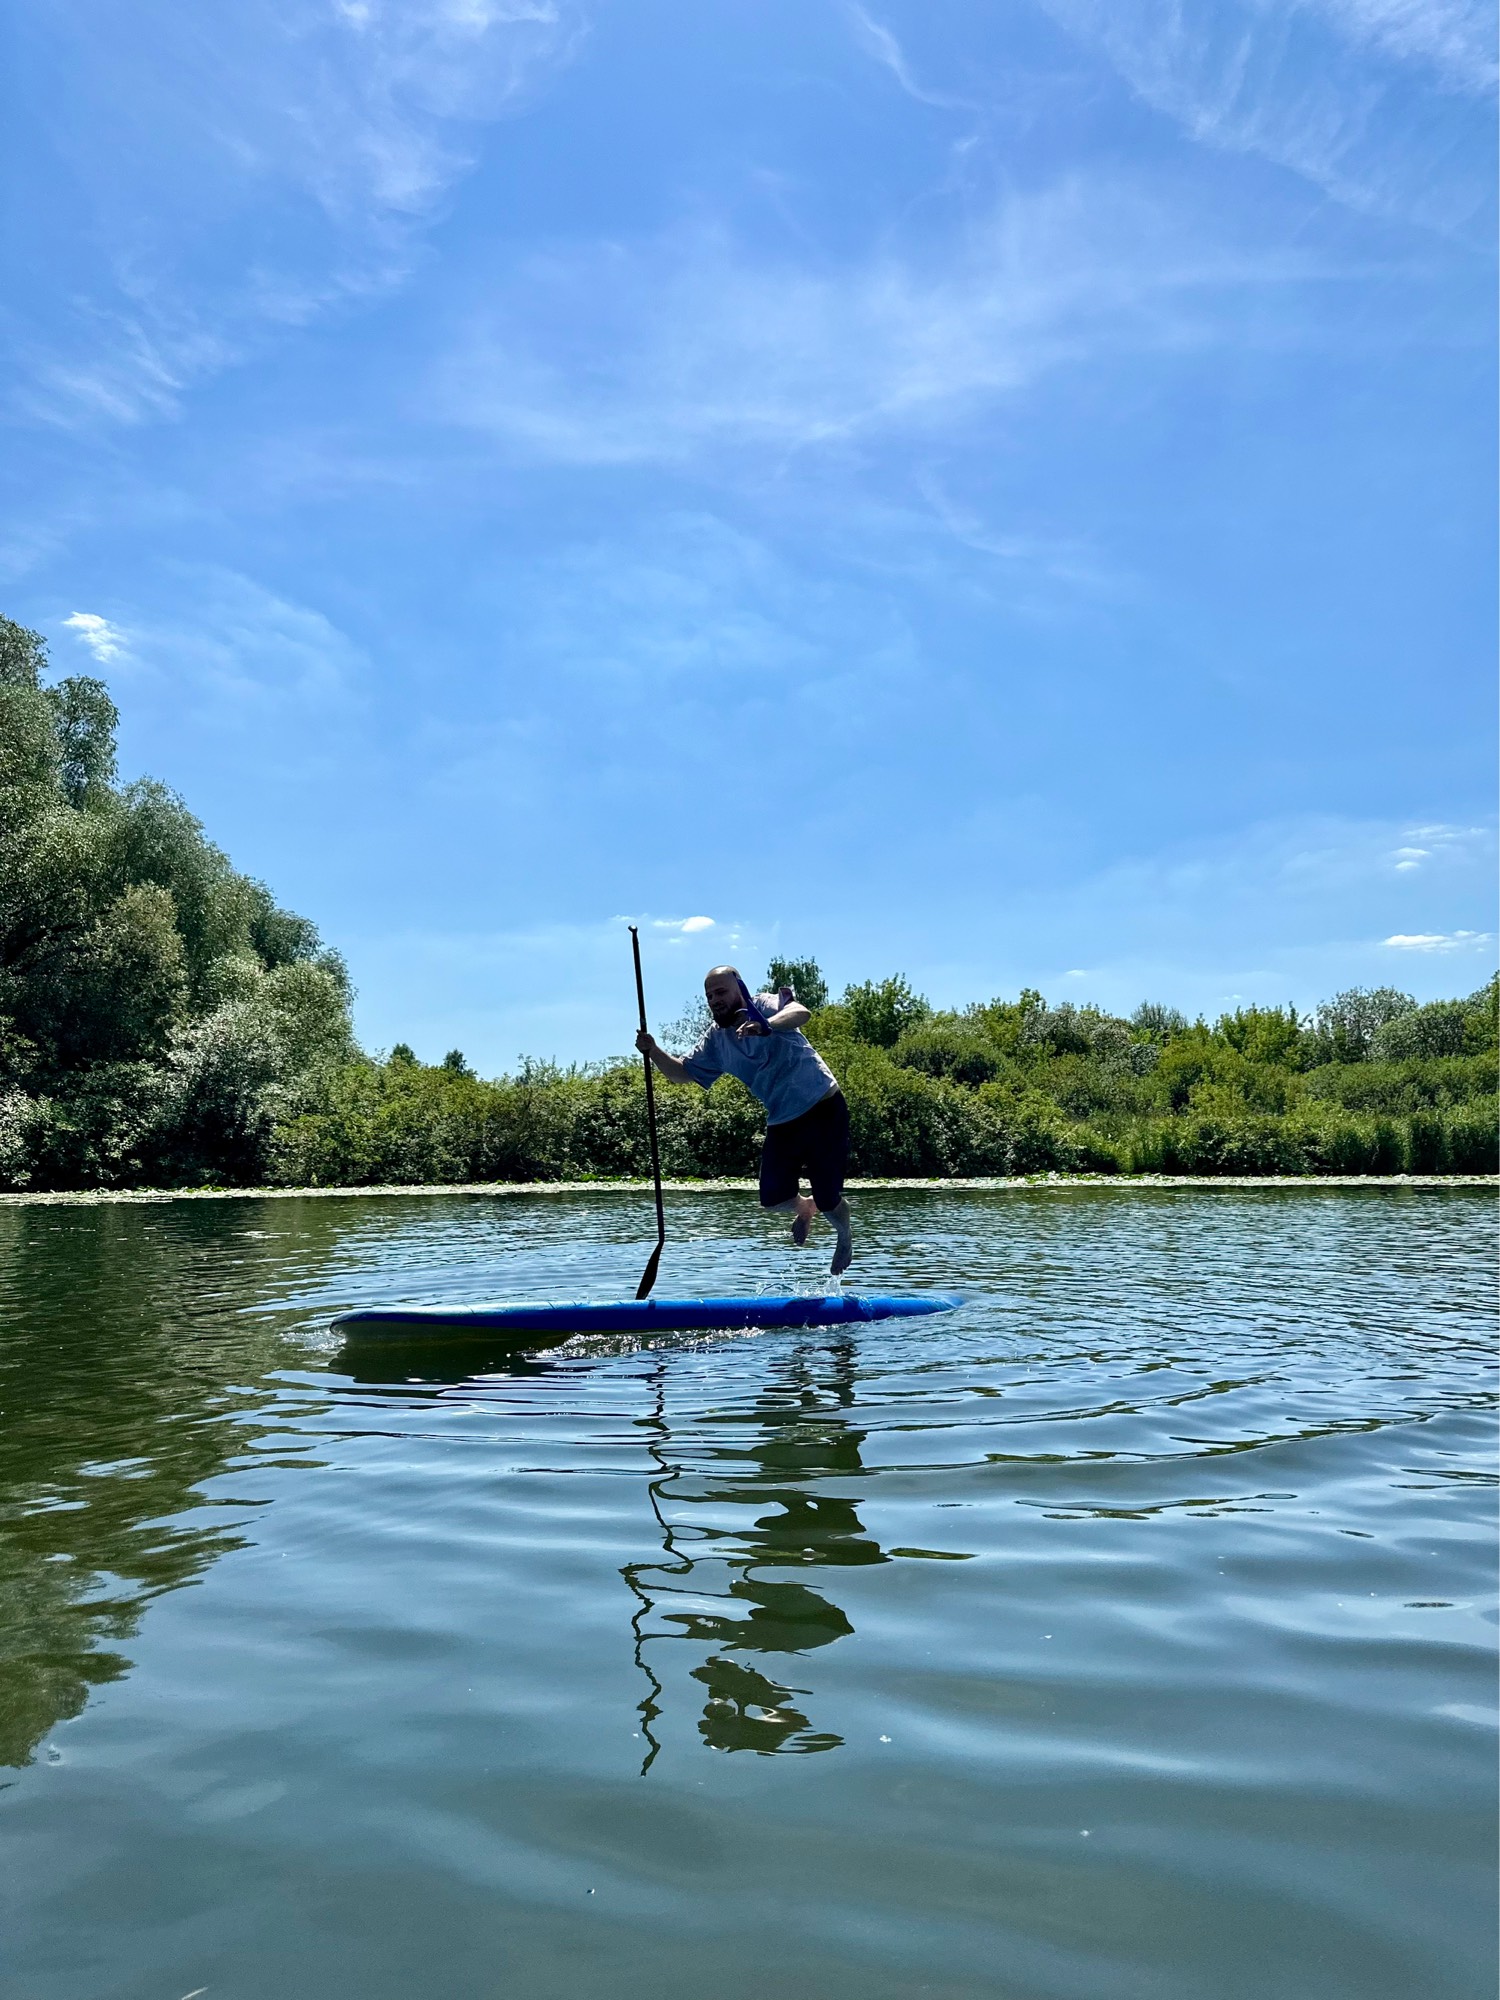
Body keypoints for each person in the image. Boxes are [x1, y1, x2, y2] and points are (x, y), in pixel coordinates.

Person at [636, 964, 854, 1276]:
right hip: (782, 1118)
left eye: (721, 991)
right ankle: (804, 1207)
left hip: (822, 1106)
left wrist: (767, 1024)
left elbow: (800, 1013)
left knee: (828, 1197)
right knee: (772, 1197)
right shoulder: (715, 1041)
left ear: (740, 989)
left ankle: (844, 1237)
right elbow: (681, 1073)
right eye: (709, 995)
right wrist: (653, 1050)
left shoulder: (763, 1005)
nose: (715, 999)